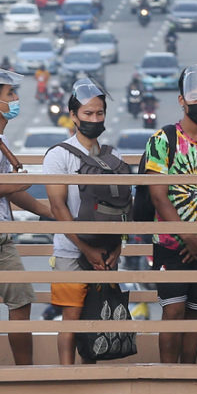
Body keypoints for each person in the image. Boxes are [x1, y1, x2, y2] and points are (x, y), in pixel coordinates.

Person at [141, 66, 197, 364]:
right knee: (173, 310)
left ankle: (189, 373)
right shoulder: (163, 140)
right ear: (182, 100)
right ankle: (168, 375)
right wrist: (188, 236)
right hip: (171, 244)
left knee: (195, 314)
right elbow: (158, 194)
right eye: (196, 95)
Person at [0, 69, 52, 365]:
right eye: (10, 95)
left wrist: (47, 212)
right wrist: (17, 183)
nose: (16, 99)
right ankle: (25, 372)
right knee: (22, 300)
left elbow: (5, 190)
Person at [44, 77, 125, 363]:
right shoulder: (58, 156)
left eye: (99, 113)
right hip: (70, 252)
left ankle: (93, 377)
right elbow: (58, 207)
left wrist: (117, 249)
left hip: (106, 252)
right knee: (72, 318)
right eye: (88, 113)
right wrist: (87, 250)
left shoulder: (114, 155)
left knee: (100, 317)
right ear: (74, 116)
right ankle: (66, 379)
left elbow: (122, 208)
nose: (94, 119)